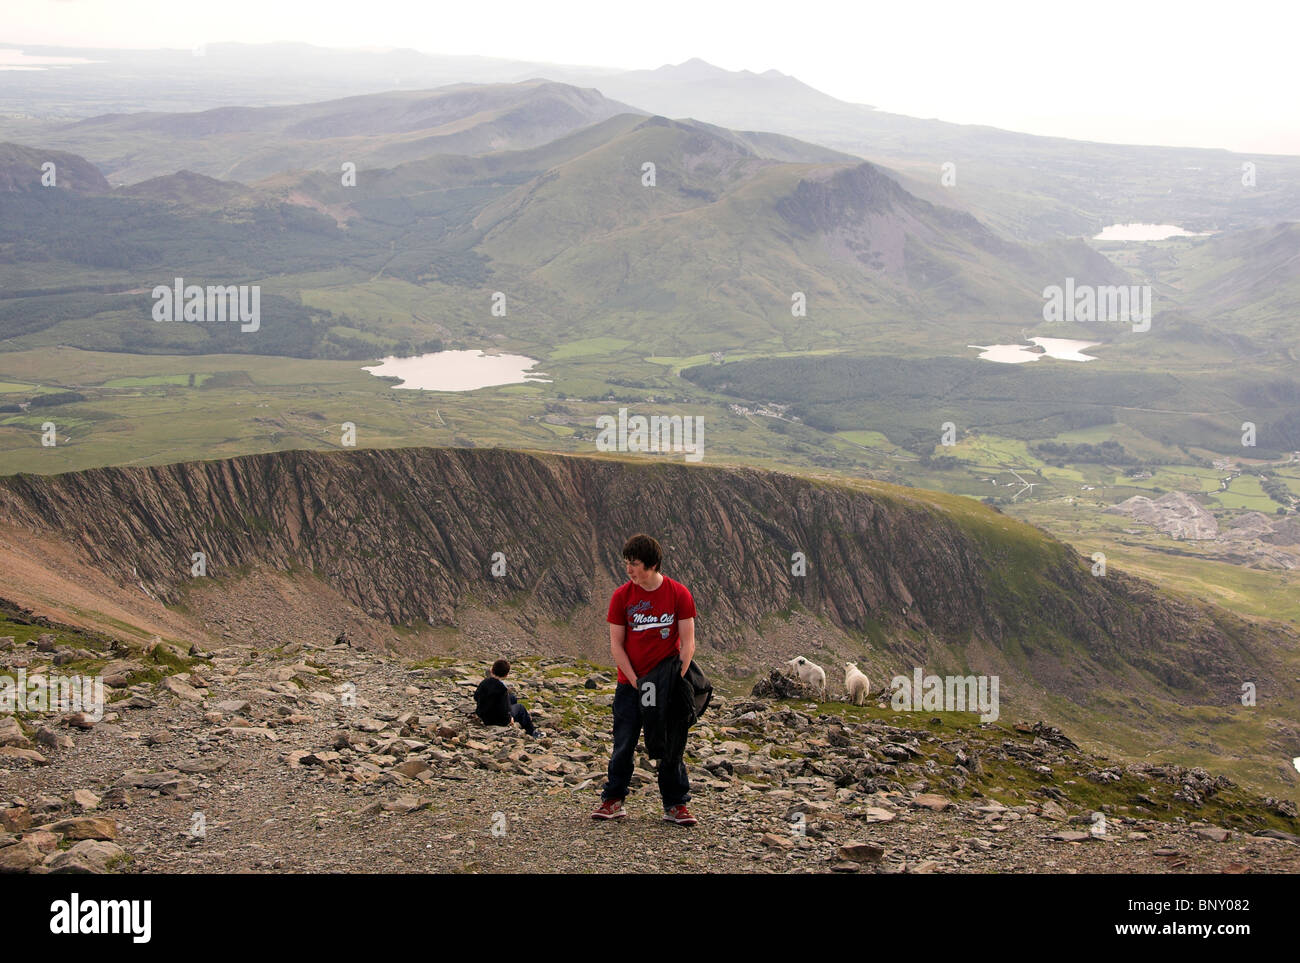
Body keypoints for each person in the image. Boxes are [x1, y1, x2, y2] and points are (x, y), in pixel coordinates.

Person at [592, 533, 698, 826]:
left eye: (634, 563)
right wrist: (635, 679)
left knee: (669, 744)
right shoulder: (622, 597)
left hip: (665, 686)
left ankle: (675, 804)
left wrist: (674, 678)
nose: (629, 570)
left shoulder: (678, 594)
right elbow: (616, 644)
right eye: (627, 563)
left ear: (651, 564)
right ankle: (613, 799)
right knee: (624, 742)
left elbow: (688, 642)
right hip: (630, 685)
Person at [474, 659, 542, 737]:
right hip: (496, 720)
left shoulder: (484, 682)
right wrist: (510, 719)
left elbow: (476, 697)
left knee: (512, 697)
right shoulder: (502, 690)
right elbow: (503, 710)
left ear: (491, 670)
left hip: (483, 714)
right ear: (506, 675)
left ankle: (518, 720)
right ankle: (532, 732)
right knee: (520, 708)